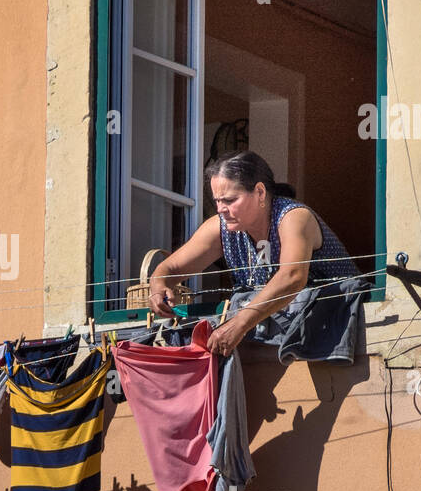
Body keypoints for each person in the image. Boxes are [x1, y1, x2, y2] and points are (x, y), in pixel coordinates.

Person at [147, 151, 360, 356]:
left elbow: (293, 276)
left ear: (259, 192)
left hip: (334, 328)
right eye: (217, 201)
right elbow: (169, 268)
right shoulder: (220, 228)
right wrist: (158, 287)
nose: (220, 208)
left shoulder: (294, 217)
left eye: (229, 200)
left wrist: (238, 324)